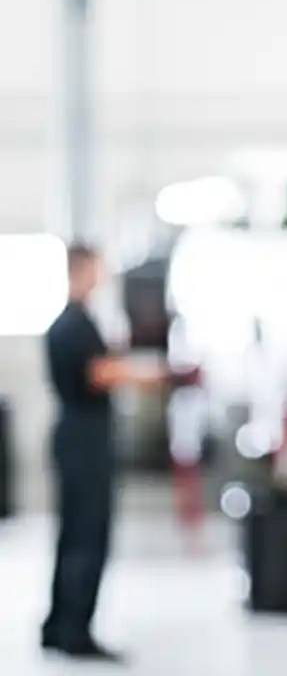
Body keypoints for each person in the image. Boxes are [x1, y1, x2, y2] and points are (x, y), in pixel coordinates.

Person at [41, 243, 172, 660]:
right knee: (87, 534)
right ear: (81, 270)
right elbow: (98, 373)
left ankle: (59, 624)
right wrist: (148, 374)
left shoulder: (71, 323)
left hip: (76, 435)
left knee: (72, 533)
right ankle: (75, 630)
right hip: (84, 439)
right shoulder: (74, 324)